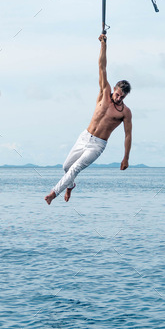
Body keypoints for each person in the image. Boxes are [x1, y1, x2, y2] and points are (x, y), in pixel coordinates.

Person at [45, 34, 132, 204]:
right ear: (113, 89)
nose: (118, 98)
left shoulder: (125, 112)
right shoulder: (104, 93)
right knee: (66, 167)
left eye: (122, 96)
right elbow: (102, 66)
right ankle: (70, 186)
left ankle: (53, 194)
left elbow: (128, 135)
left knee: (75, 168)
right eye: (117, 94)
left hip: (98, 145)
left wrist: (126, 157)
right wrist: (103, 44)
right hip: (84, 136)